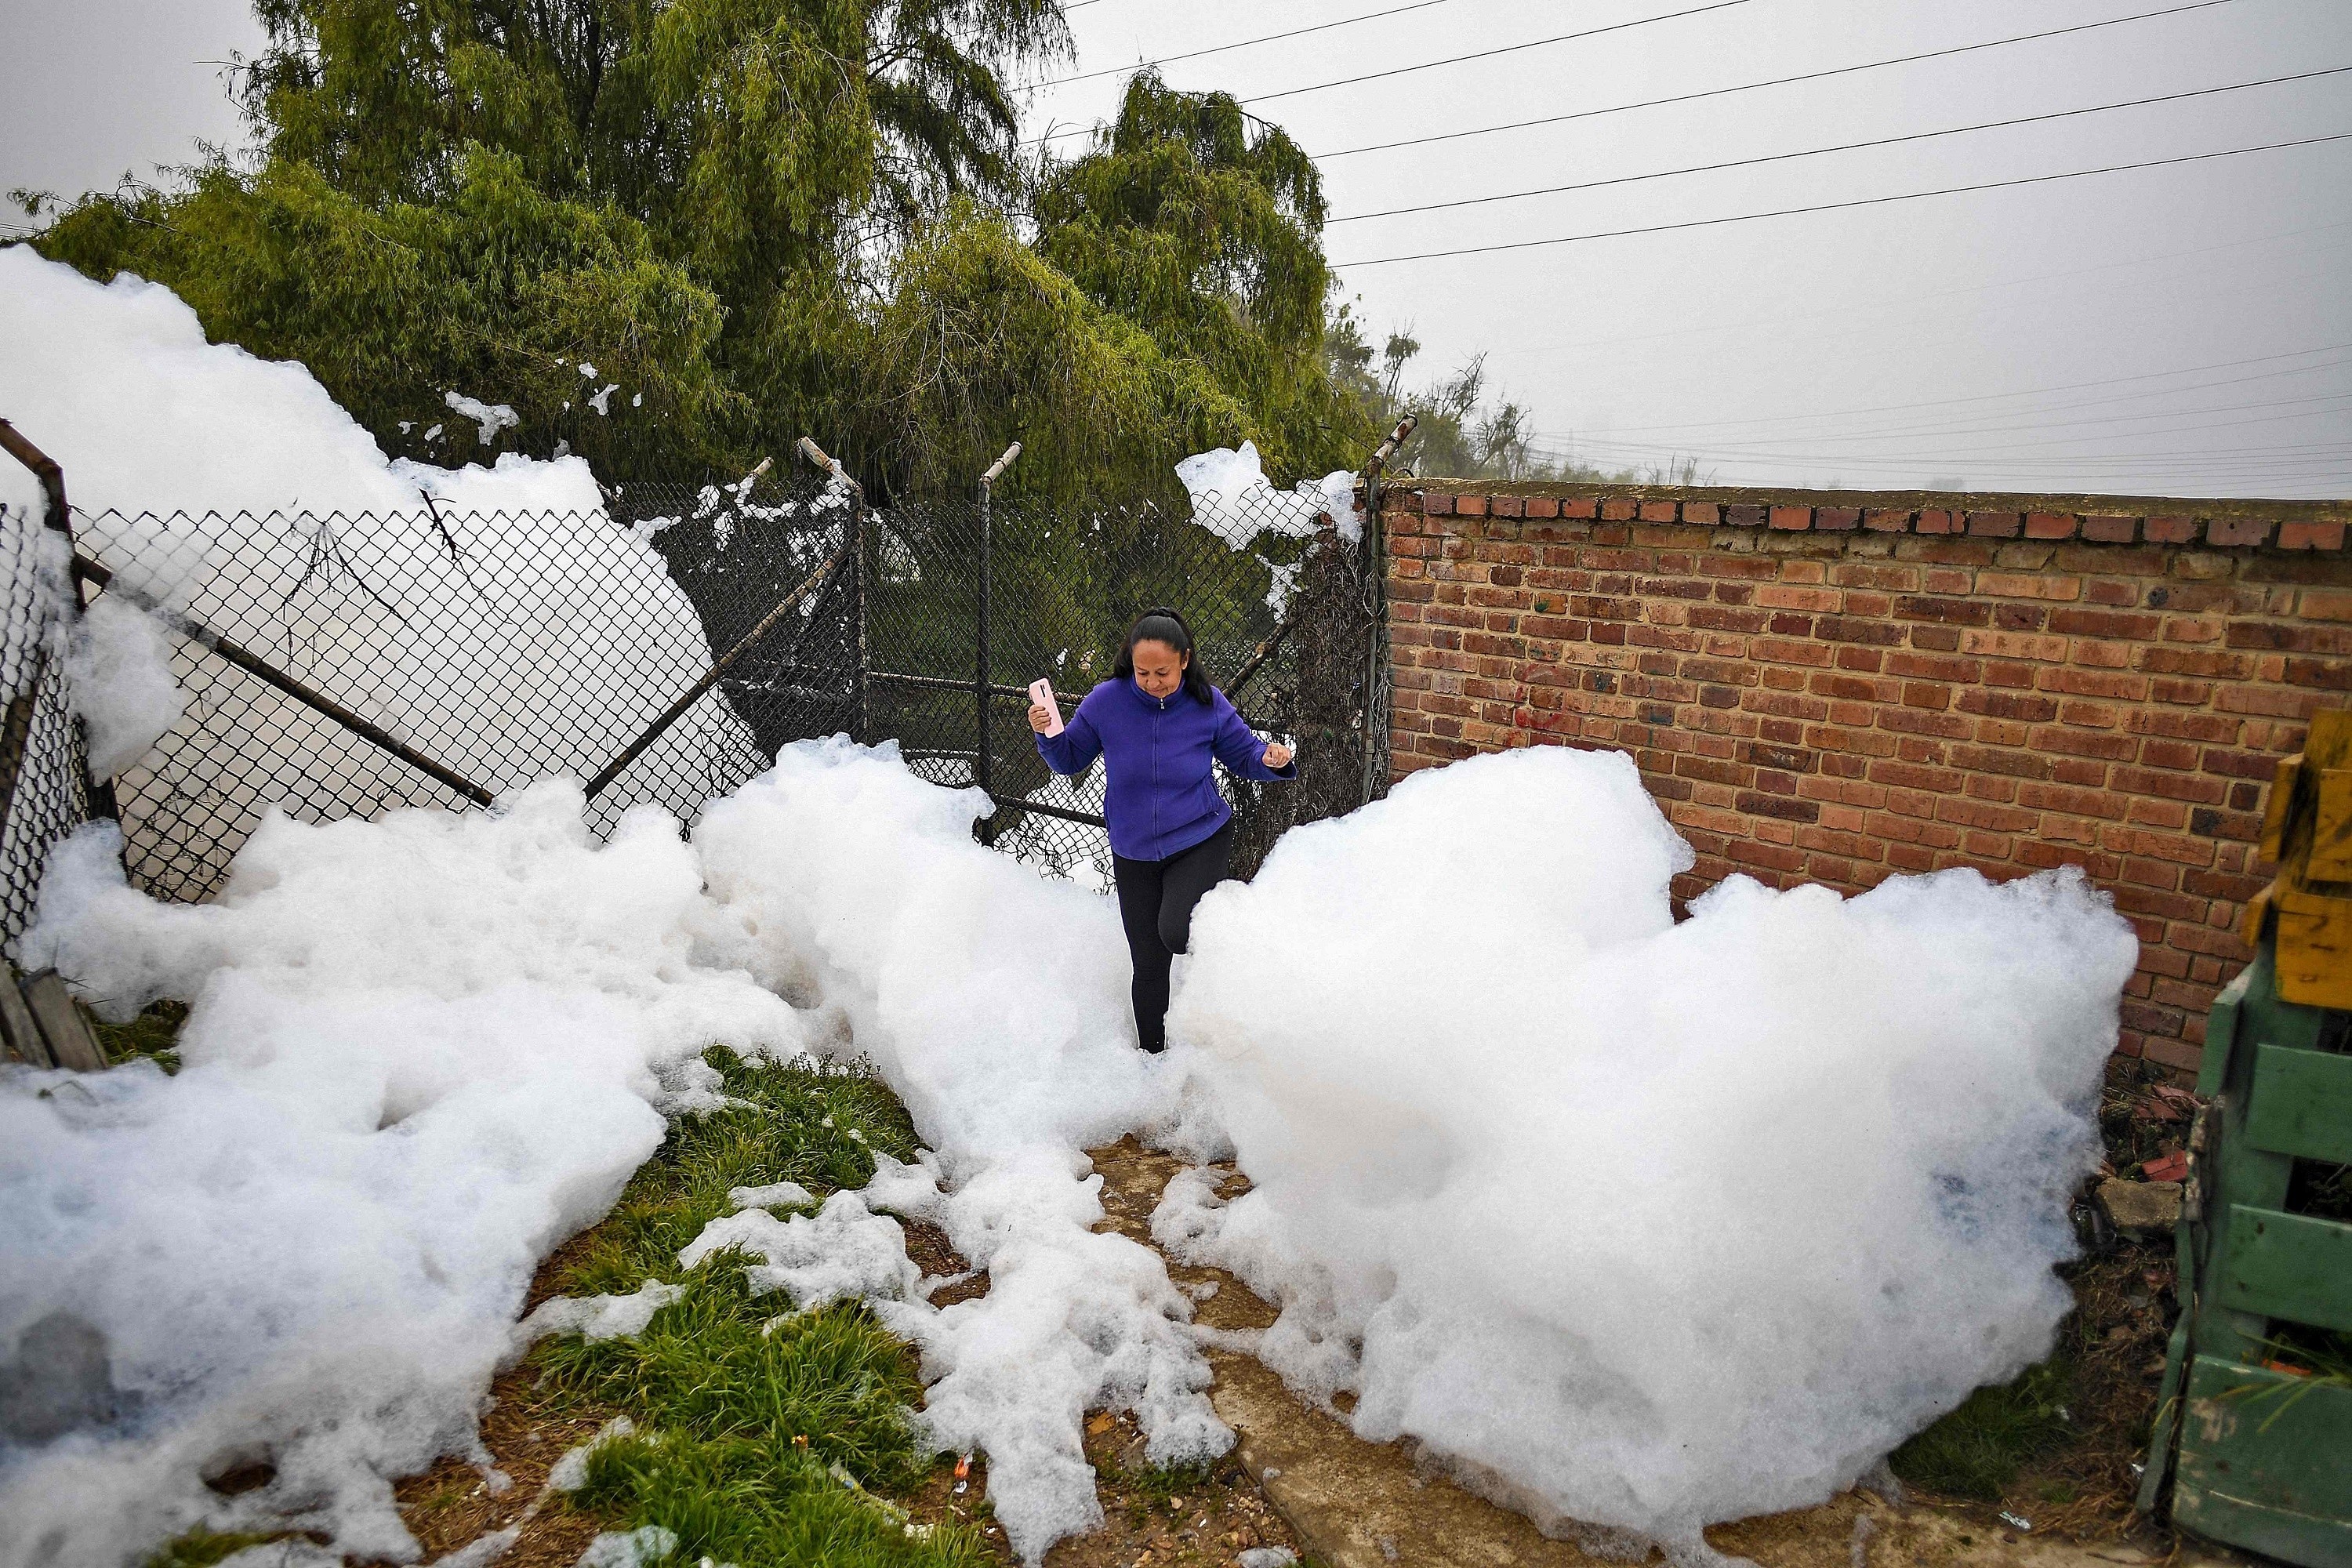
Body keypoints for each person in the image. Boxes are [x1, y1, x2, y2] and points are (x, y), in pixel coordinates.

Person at [1030, 608, 1296, 1053]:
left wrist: (1271, 760)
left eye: (1163, 672)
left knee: (1176, 930)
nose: (1153, 682)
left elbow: (1246, 754)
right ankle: (1152, 1062)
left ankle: (1242, 973)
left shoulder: (1207, 704)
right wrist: (1049, 735)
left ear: (1185, 661)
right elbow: (1070, 761)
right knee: (1149, 963)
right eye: (1142, 672)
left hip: (1199, 836)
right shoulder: (1105, 702)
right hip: (1133, 851)